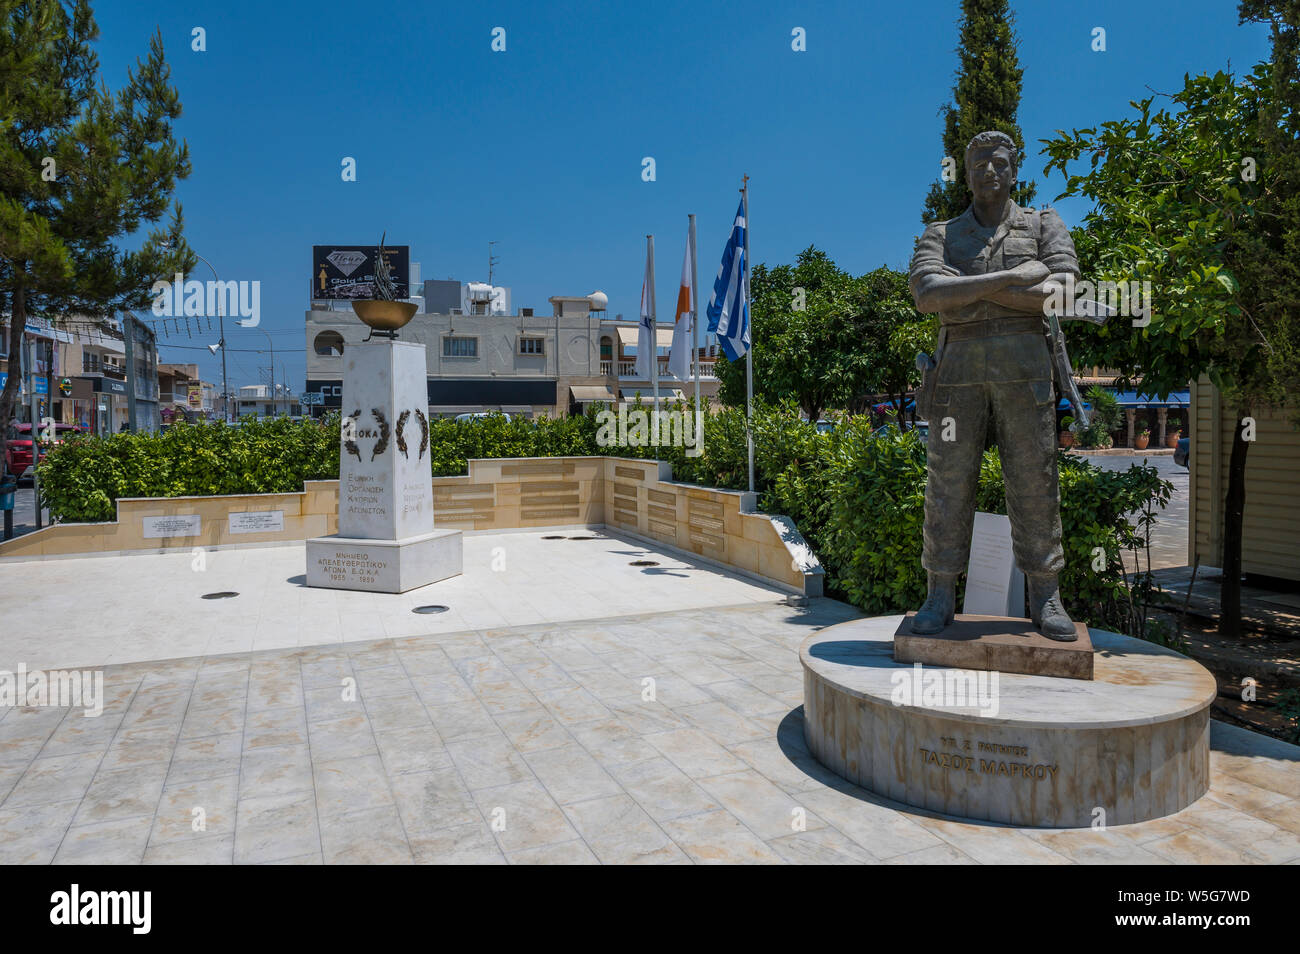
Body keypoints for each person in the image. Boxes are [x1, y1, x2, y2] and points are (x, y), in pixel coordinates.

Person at [907, 130, 1077, 640]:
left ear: (1014, 169)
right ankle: (939, 593)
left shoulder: (1043, 224)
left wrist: (966, 292)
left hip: (1025, 372)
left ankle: (1046, 595)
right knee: (947, 484)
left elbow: (1065, 289)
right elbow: (927, 293)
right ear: (965, 173)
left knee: (1035, 482)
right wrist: (1012, 279)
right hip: (957, 376)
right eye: (979, 163)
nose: (989, 171)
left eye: (999, 162)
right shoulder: (941, 233)